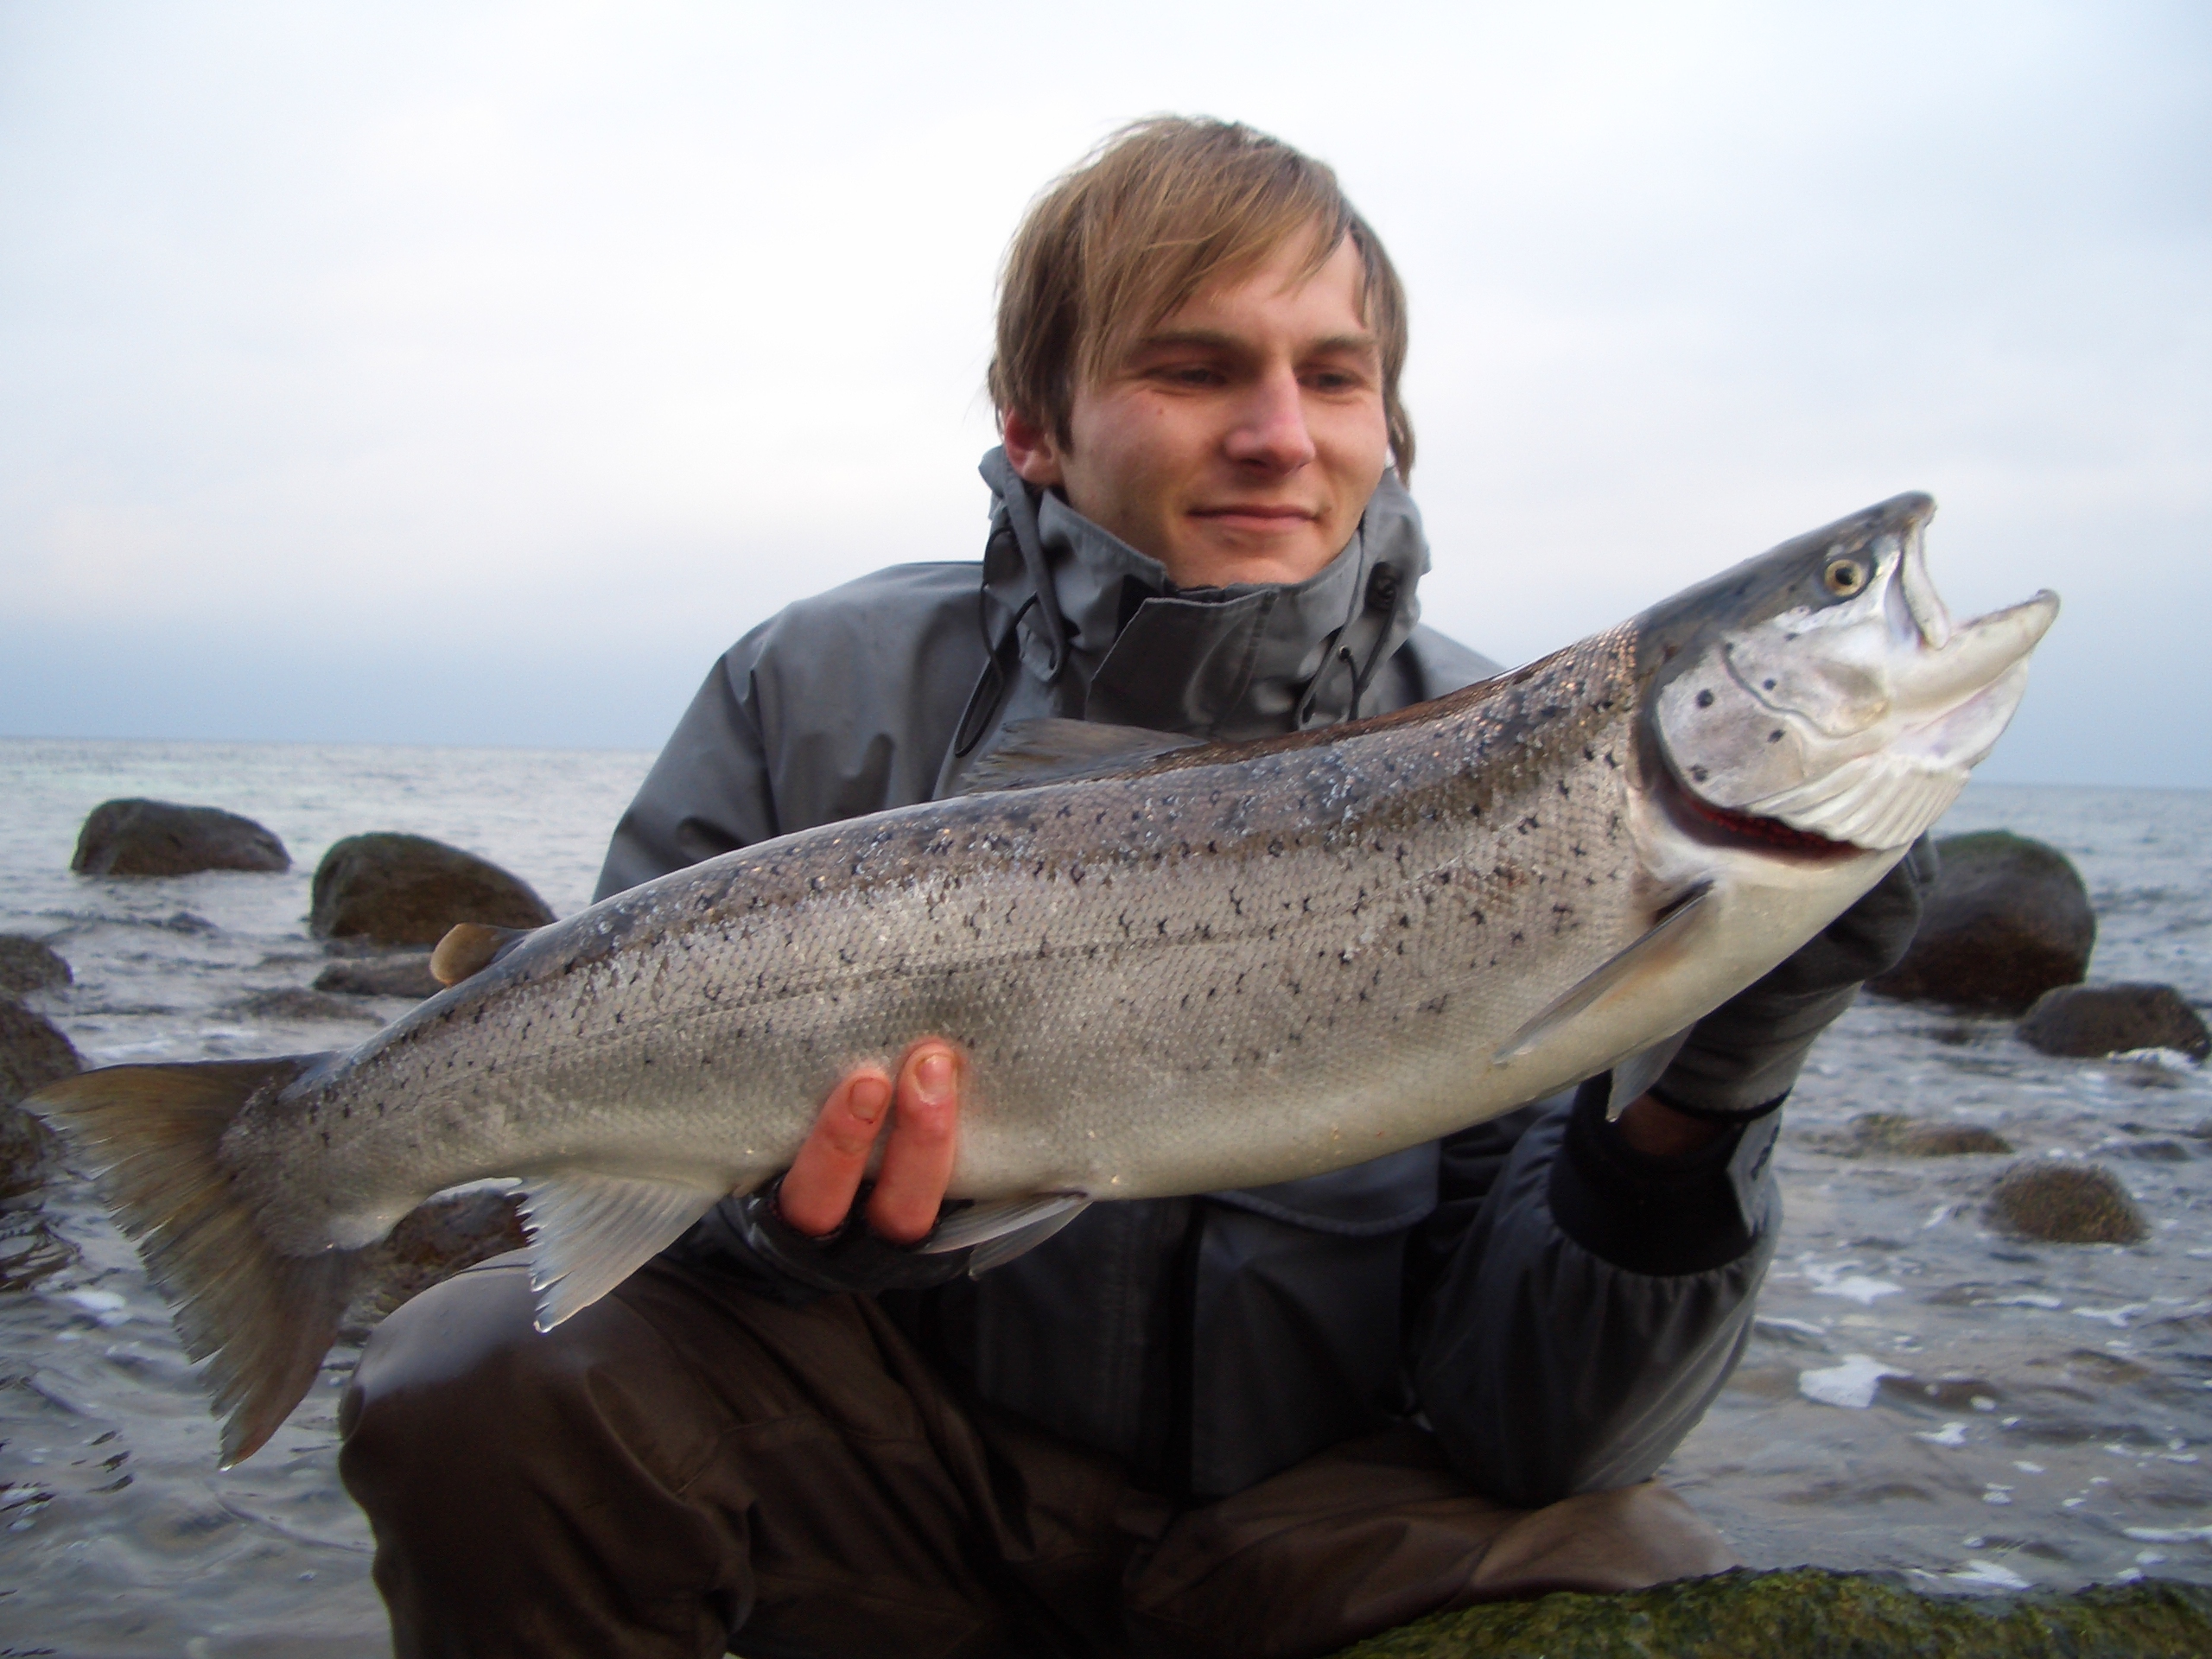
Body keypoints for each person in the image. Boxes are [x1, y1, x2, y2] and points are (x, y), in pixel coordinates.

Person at [339, 117, 1928, 1658]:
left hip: (1297, 1525)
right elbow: (645, 1242)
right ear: (1036, 426)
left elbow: (1550, 1430)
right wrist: (780, 1235)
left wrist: (1710, 1079)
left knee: (1647, 1570)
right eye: (1195, 368)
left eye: (1333, 376)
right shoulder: (808, 691)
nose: (1279, 433)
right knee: (478, 1373)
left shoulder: (1532, 772)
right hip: (894, 1488)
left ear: (1387, 424)